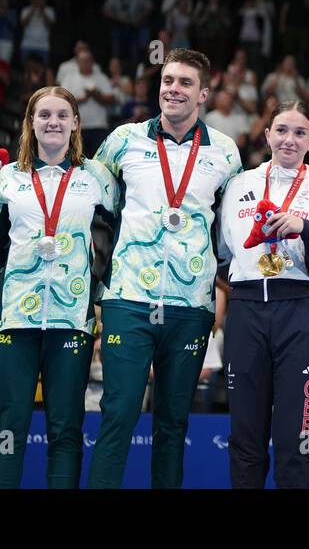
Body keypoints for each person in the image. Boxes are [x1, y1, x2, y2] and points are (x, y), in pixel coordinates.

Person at [86, 48, 242, 488]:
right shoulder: (122, 140)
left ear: (204, 94)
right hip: (129, 300)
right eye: (168, 80)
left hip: (191, 305)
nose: (173, 89)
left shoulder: (226, 152)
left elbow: (230, 228)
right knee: (118, 413)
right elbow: (90, 203)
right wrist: (99, 279)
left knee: (173, 423)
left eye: (185, 83)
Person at [0, 86, 117, 488]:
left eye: (61, 115)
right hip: (14, 318)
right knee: (8, 426)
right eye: (44, 115)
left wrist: (104, 288)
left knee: (66, 428)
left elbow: (126, 228)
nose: (53, 122)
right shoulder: (8, 178)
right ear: (30, 123)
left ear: (75, 123)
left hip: (71, 319)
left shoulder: (95, 177)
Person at [216, 101, 309, 488]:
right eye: (282, 130)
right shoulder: (240, 185)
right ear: (267, 133)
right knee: (245, 437)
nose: (290, 139)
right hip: (248, 308)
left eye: (300, 132)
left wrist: (306, 229)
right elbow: (224, 254)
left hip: (301, 310)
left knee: (296, 439)